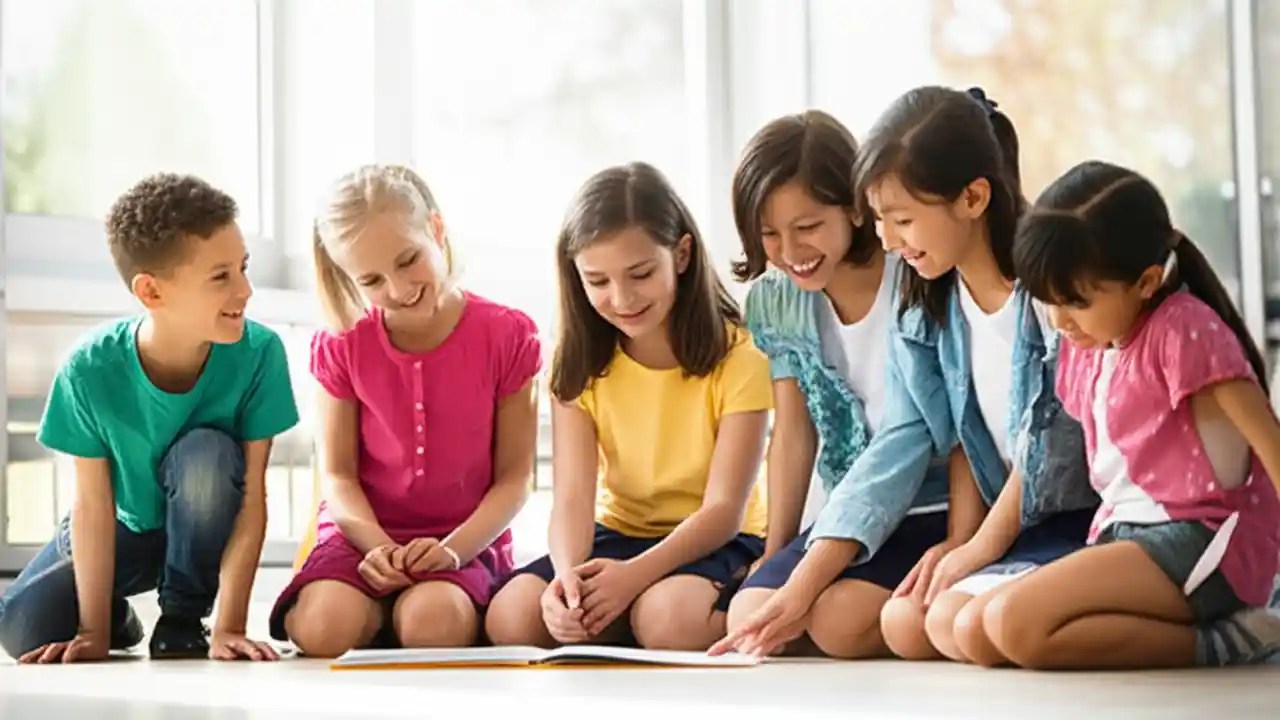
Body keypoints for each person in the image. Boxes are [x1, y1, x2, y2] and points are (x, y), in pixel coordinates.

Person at [962, 159, 1280, 669]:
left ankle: (1230, 640)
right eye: (1048, 302)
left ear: (1147, 281)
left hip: (1205, 537)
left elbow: (1270, 444)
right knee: (975, 633)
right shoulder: (1088, 343)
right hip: (1122, 533)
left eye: (1076, 302)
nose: (1060, 321)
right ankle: (1222, 630)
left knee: (1011, 624)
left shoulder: (1183, 329)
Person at [0, 174, 299, 663]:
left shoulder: (260, 353)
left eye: (242, 268)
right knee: (22, 632)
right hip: (122, 531)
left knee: (205, 454)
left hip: (205, 529)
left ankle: (182, 617)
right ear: (151, 292)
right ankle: (119, 618)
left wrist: (230, 627)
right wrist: (93, 630)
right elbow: (93, 505)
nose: (245, 289)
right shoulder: (89, 369)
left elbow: (253, 499)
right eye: (221, 276)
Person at [718, 111, 975, 659]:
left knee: (837, 623)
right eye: (769, 234)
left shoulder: (916, 276)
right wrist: (777, 549)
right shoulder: (777, 299)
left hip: (927, 506)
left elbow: (932, 435)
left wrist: (806, 583)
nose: (789, 252)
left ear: (856, 206)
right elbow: (791, 433)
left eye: (807, 227)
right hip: (842, 515)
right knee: (747, 616)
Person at [484, 162, 770, 650]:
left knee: (667, 622)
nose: (621, 298)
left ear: (681, 254)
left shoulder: (739, 355)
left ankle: (640, 610)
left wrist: (633, 578)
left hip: (718, 539)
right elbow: (572, 497)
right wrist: (570, 579)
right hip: (618, 534)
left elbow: (723, 509)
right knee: (511, 618)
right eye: (597, 281)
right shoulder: (579, 363)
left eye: (640, 274)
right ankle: (615, 613)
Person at [270, 165, 540, 657]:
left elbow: (515, 478)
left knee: (433, 625)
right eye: (371, 279)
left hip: (464, 538)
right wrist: (376, 547)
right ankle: (377, 611)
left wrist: (453, 550)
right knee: (322, 629)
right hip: (363, 534)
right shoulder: (343, 343)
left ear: (435, 230)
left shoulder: (506, 334)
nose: (398, 288)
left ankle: (413, 612)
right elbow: (338, 475)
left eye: (409, 259)